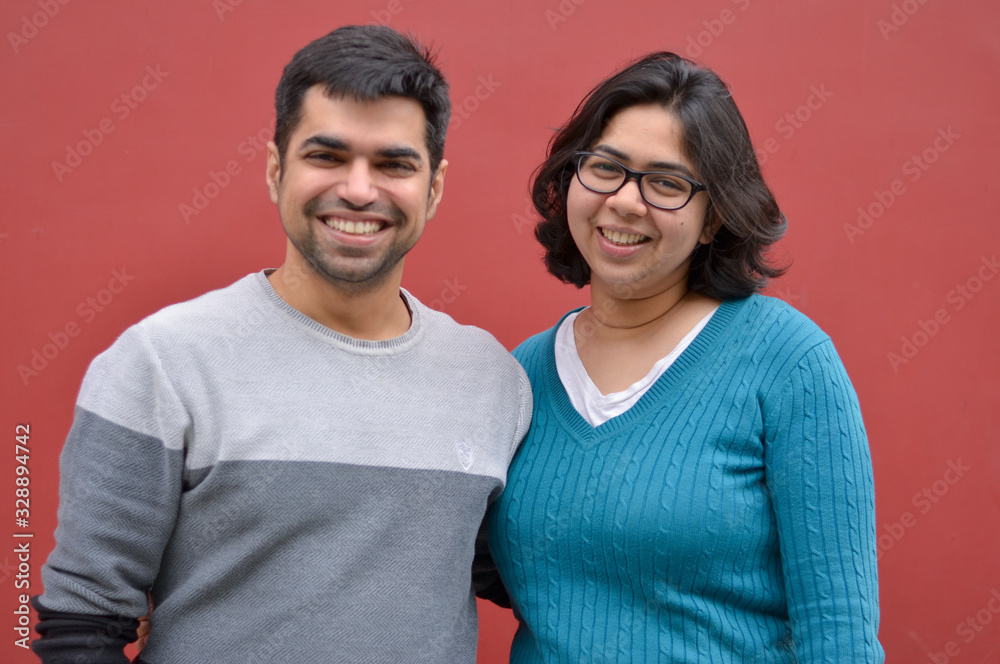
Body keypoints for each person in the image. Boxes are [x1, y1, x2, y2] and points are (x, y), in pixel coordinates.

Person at [32, 25, 531, 664]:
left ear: (433, 188)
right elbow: (82, 628)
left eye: (393, 163)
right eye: (327, 156)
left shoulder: (491, 378)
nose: (358, 189)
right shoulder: (162, 361)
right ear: (275, 170)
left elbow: (522, 572)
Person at [484, 52, 884, 662]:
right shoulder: (521, 376)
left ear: (712, 218)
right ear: (571, 179)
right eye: (605, 168)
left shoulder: (788, 361)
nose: (625, 201)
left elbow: (840, 635)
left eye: (666, 183)